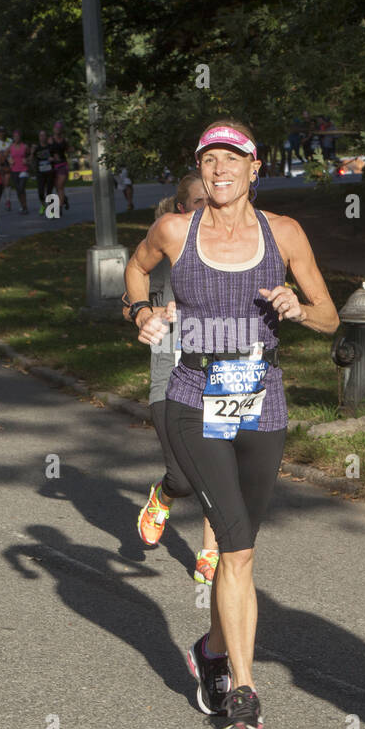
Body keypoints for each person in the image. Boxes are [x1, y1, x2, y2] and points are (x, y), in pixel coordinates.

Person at [125, 119, 338, 729]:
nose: (219, 171)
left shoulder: (285, 233)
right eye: (208, 161)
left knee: (242, 549)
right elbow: (135, 271)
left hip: (262, 399)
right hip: (194, 396)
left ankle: (212, 651)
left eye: (230, 160)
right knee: (236, 548)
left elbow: (329, 316)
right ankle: (243, 692)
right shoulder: (174, 230)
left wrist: (300, 309)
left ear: (254, 167)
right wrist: (141, 312)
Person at [135, 174, 221, 585]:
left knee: (219, 466)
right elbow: (129, 299)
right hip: (169, 372)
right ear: (183, 209)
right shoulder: (169, 247)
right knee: (184, 478)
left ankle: (210, 550)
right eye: (199, 202)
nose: (210, 208)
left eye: (214, 200)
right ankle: (164, 495)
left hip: (220, 374)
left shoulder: (237, 248)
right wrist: (147, 315)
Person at [8, 130, 31, 213]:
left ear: (20, 137)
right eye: (15, 136)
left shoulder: (24, 146)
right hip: (14, 170)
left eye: (17, 136)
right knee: (18, 190)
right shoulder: (11, 147)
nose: (16, 138)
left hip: (23, 169)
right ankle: (23, 206)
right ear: (13, 138)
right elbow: (7, 156)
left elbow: (30, 157)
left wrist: (27, 160)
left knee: (21, 188)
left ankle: (25, 206)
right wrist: (10, 160)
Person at [51, 121, 70, 213]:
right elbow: (46, 151)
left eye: (59, 128)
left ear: (61, 130)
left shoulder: (65, 140)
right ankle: (64, 198)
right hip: (53, 166)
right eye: (56, 128)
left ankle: (59, 208)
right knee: (56, 187)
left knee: (60, 186)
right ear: (53, 129)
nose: (57, 130)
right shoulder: (50, 140)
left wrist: (71, 149)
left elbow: (68, 150)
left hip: (63, 165)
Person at [33, 130, 55, 215]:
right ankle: (43, 205)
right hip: (40, 173)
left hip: (50, 172)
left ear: (46, 137)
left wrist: (53, 159)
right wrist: (32, 152)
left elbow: (56, 157)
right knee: (41, 193)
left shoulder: (50, 147)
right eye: (40, 136)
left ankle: (52, 211)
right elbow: (31, 158)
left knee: (49, 192)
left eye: (44, 135)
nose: (42, 137)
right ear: (39, 137)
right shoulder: (36, 148)